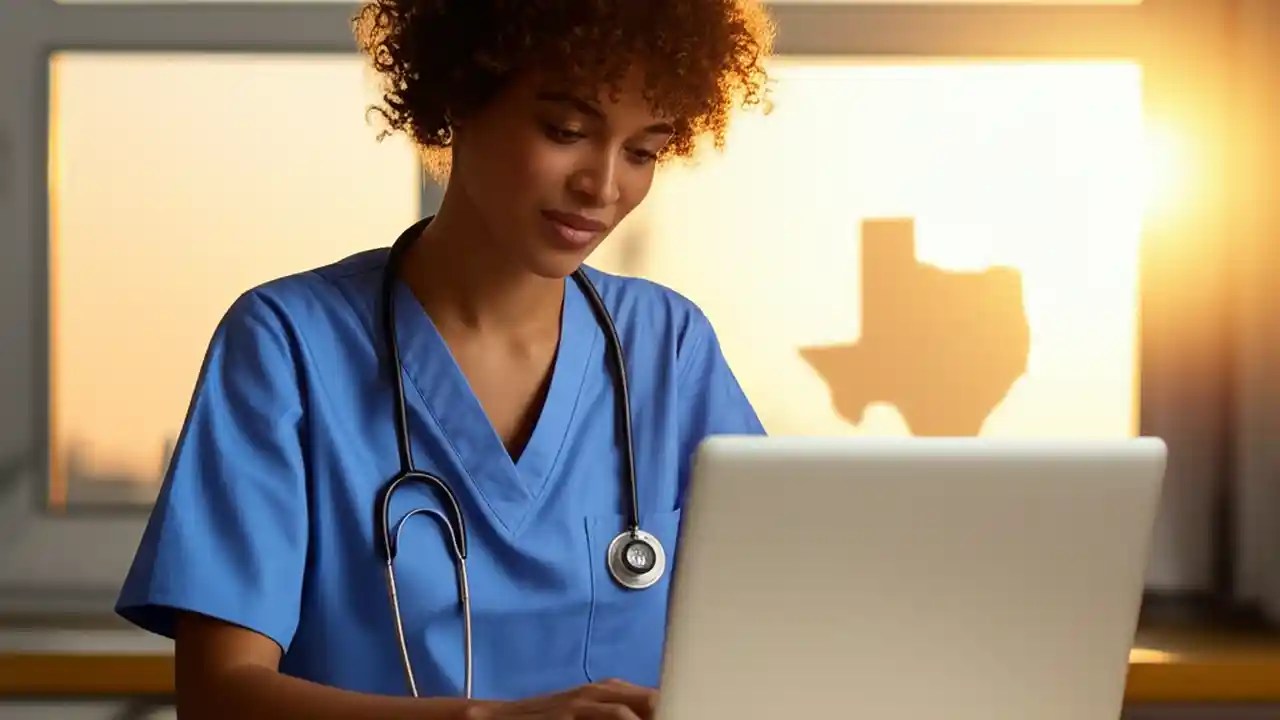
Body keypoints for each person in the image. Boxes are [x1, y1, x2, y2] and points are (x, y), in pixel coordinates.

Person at [114, 1, 774, 718]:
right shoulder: (287, 344)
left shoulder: (669, 347)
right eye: (566, 132)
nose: (604, 185)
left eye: (643, 151)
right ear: (461, 98)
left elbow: (781, 628)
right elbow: (219, 697)